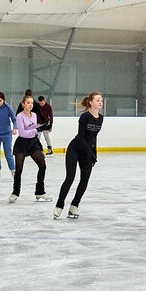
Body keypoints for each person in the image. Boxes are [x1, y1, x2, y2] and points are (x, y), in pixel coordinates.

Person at [54, 92, 103, 220]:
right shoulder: (84, 117)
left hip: (87, 151)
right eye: (98, 100)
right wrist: (90, 152)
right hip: (75, 149)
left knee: (85, 180)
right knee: (70, 177)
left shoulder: (101, 118)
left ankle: (74, 205)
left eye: (101, 100)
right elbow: (81, 137)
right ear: (91, 102)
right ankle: (59, 205)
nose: (100, 102)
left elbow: (93, 137)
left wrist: (94, 153)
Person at [9, 95, 51, 203]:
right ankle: (15, 193)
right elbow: (22, 133)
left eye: (32, 103)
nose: (30, 105)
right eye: (28, 102)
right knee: (19, 170)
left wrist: (39, 143)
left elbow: (33, 131)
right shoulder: (20, 116)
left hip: (32, 143)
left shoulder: (34, 115)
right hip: (22, 145)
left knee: (42, 166)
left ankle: (40, 192)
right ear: (23, 104)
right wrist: (38, 130)